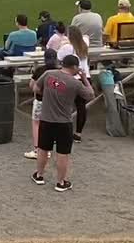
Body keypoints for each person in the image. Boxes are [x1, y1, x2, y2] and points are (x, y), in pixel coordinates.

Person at [31, 54, 94, 191]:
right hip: (63, 122)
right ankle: (60, 182)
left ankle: (39, 175)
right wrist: (84, 79)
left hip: (46, 119)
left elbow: (36, 88)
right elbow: (90, 95)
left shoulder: (48, 74)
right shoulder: (75, 83)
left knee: (43, 148)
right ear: (75, 67)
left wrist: (47, 94)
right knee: (62, 153)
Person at [56, 26, 90, 142]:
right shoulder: (84, 45)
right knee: (81, 107)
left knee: (65, 106)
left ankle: (64, 131)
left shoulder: (67, 47)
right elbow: (86, 38)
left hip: (72, 78)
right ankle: (78, 133)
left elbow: (59, 57)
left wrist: (62, 44)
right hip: (84, 77)